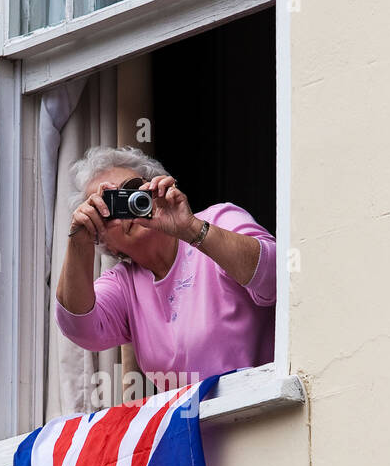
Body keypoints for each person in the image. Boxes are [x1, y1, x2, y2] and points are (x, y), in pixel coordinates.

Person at [54, 146, 276, 392]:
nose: (127, 207)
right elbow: (79, 328)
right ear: (107, 244)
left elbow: (275, 277)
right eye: (108, 209)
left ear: (154, 188)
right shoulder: (124, 285)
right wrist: (79, 239)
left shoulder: (218, 220)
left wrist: (191, 229)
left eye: (132, 189)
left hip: (263, 414)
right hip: (193, 427)